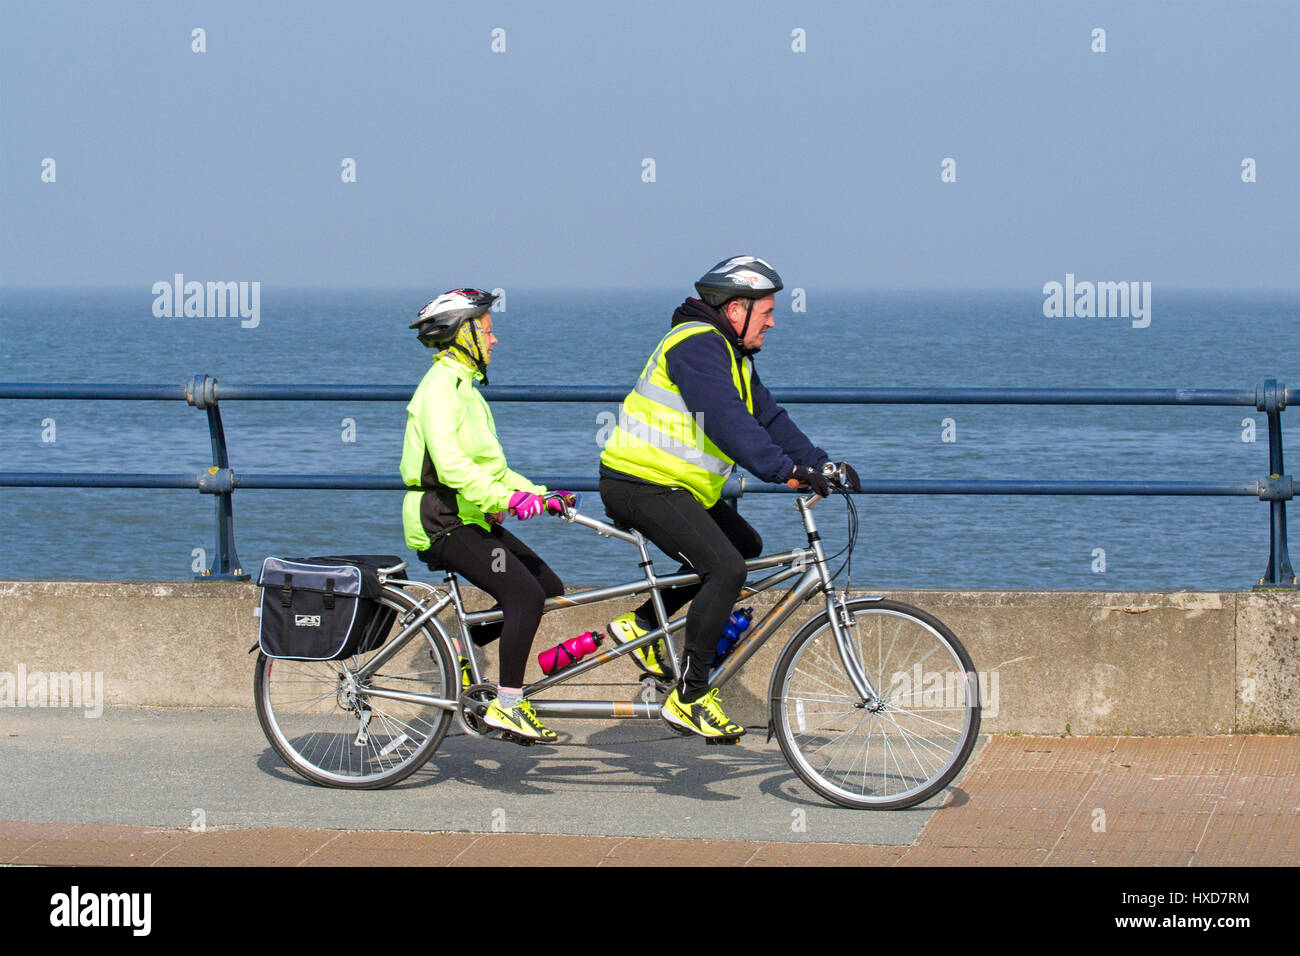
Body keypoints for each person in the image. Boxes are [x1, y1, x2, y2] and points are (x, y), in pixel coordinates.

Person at [599, 256, 860, 741]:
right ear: (736, 309)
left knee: (744, 545)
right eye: (767, 312)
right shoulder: (696, 346)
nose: (773, 322)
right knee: (727, 568)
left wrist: (820, 462)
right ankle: (691, 696)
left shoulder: (730, 353)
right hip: (638, 482)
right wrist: (782, 471)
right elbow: (724, 419)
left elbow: (768, 418)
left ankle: (640, 626)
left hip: (674, 485)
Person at [400, 288, 574, 743]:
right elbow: (453, 467)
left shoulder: (465, 388)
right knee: (524, 598)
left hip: (470, 516)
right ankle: (508, 706)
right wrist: (506, 501)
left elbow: (491, 469)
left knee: (547, 586)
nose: (494, 341)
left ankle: (454, 649)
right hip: (443, 520)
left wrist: (539, 493)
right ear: (462, 335)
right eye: (488, 331)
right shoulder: (439, 390)